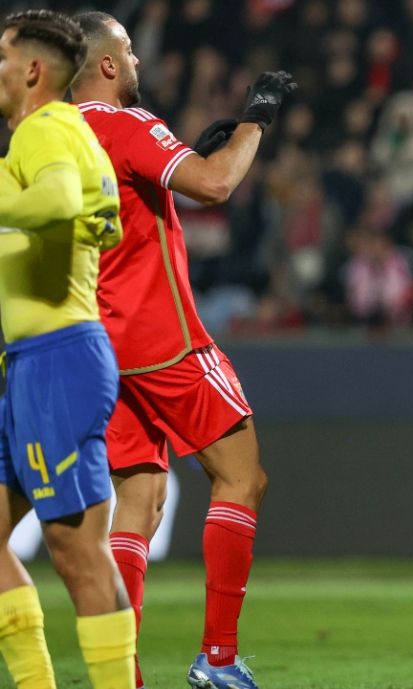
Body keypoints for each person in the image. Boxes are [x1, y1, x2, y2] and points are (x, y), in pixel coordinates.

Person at [69, 11, 296, 689]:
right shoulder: (128, 123)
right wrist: (255, 120)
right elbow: (217, 184)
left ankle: (122, 673)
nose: (138, 63)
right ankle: (218, 659)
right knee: (241, 476)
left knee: (138, 500)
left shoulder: (52, 137)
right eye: (130, 52)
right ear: (108, 65)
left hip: (99, 345)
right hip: (164, 337)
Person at [0, 9, 136, 689]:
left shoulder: (44, 127)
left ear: (31, 70)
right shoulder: (68, 134)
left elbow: (54, 199)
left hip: (56, 358)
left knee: (77, 554)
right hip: (27, 362)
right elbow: (92, 222)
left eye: (1, 57)